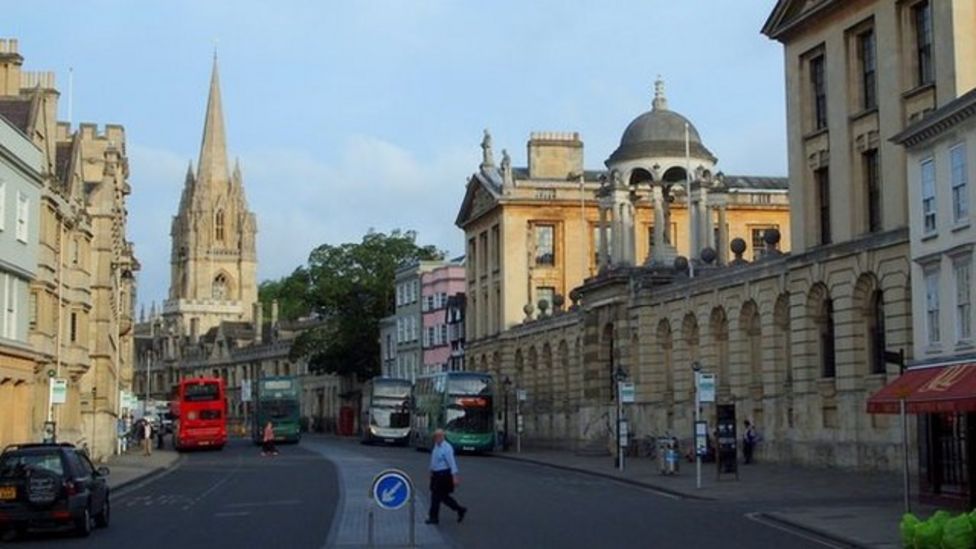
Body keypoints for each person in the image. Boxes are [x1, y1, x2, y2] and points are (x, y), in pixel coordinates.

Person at [426, 429, 467, 525]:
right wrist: (431, 471)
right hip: (436, 475)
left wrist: (455, 477)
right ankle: (460, 509)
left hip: (443, 475)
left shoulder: (447, 448)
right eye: (435, 436)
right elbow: (434, 460)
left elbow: (452, 463)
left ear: (443, 437)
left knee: (435, 497)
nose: (436, 438)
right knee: (443, 497)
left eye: (439, 436)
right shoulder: (436, 446)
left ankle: (434, 518)